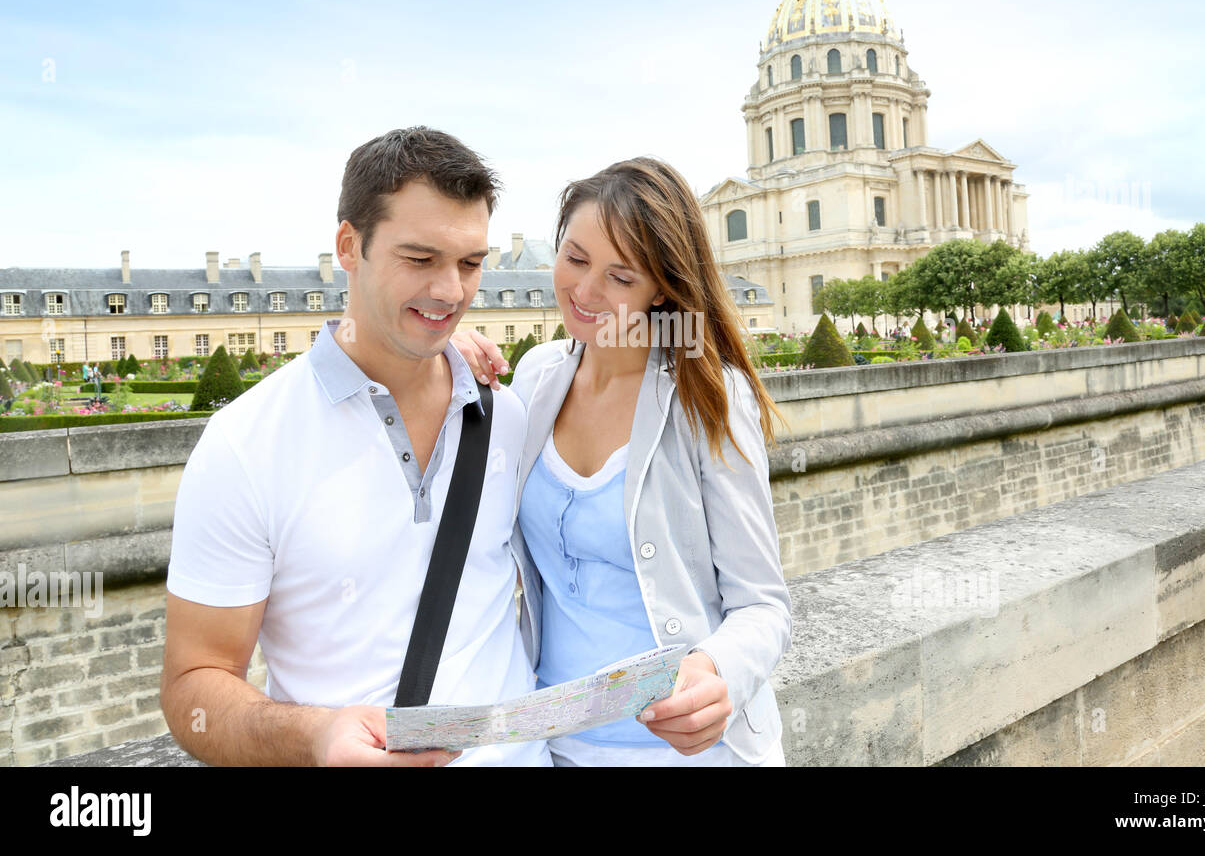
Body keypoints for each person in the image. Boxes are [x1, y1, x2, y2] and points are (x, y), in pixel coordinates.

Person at [160, 127, 550, 766]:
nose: (451, 291)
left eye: (470, 263)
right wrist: (317, 738)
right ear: (349, 246)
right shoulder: (244, 445)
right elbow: (191, 688)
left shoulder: (504, 412)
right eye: (420, 260)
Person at [455, 157, 792, 765]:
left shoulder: (709, 396)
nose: (584, 293)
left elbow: (763, 604)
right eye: (575, 259)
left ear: (662, 287)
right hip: (554, 743)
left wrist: (718, 671)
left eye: (620, 277)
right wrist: (433, 351)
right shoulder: (536, 375)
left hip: (684, 752)